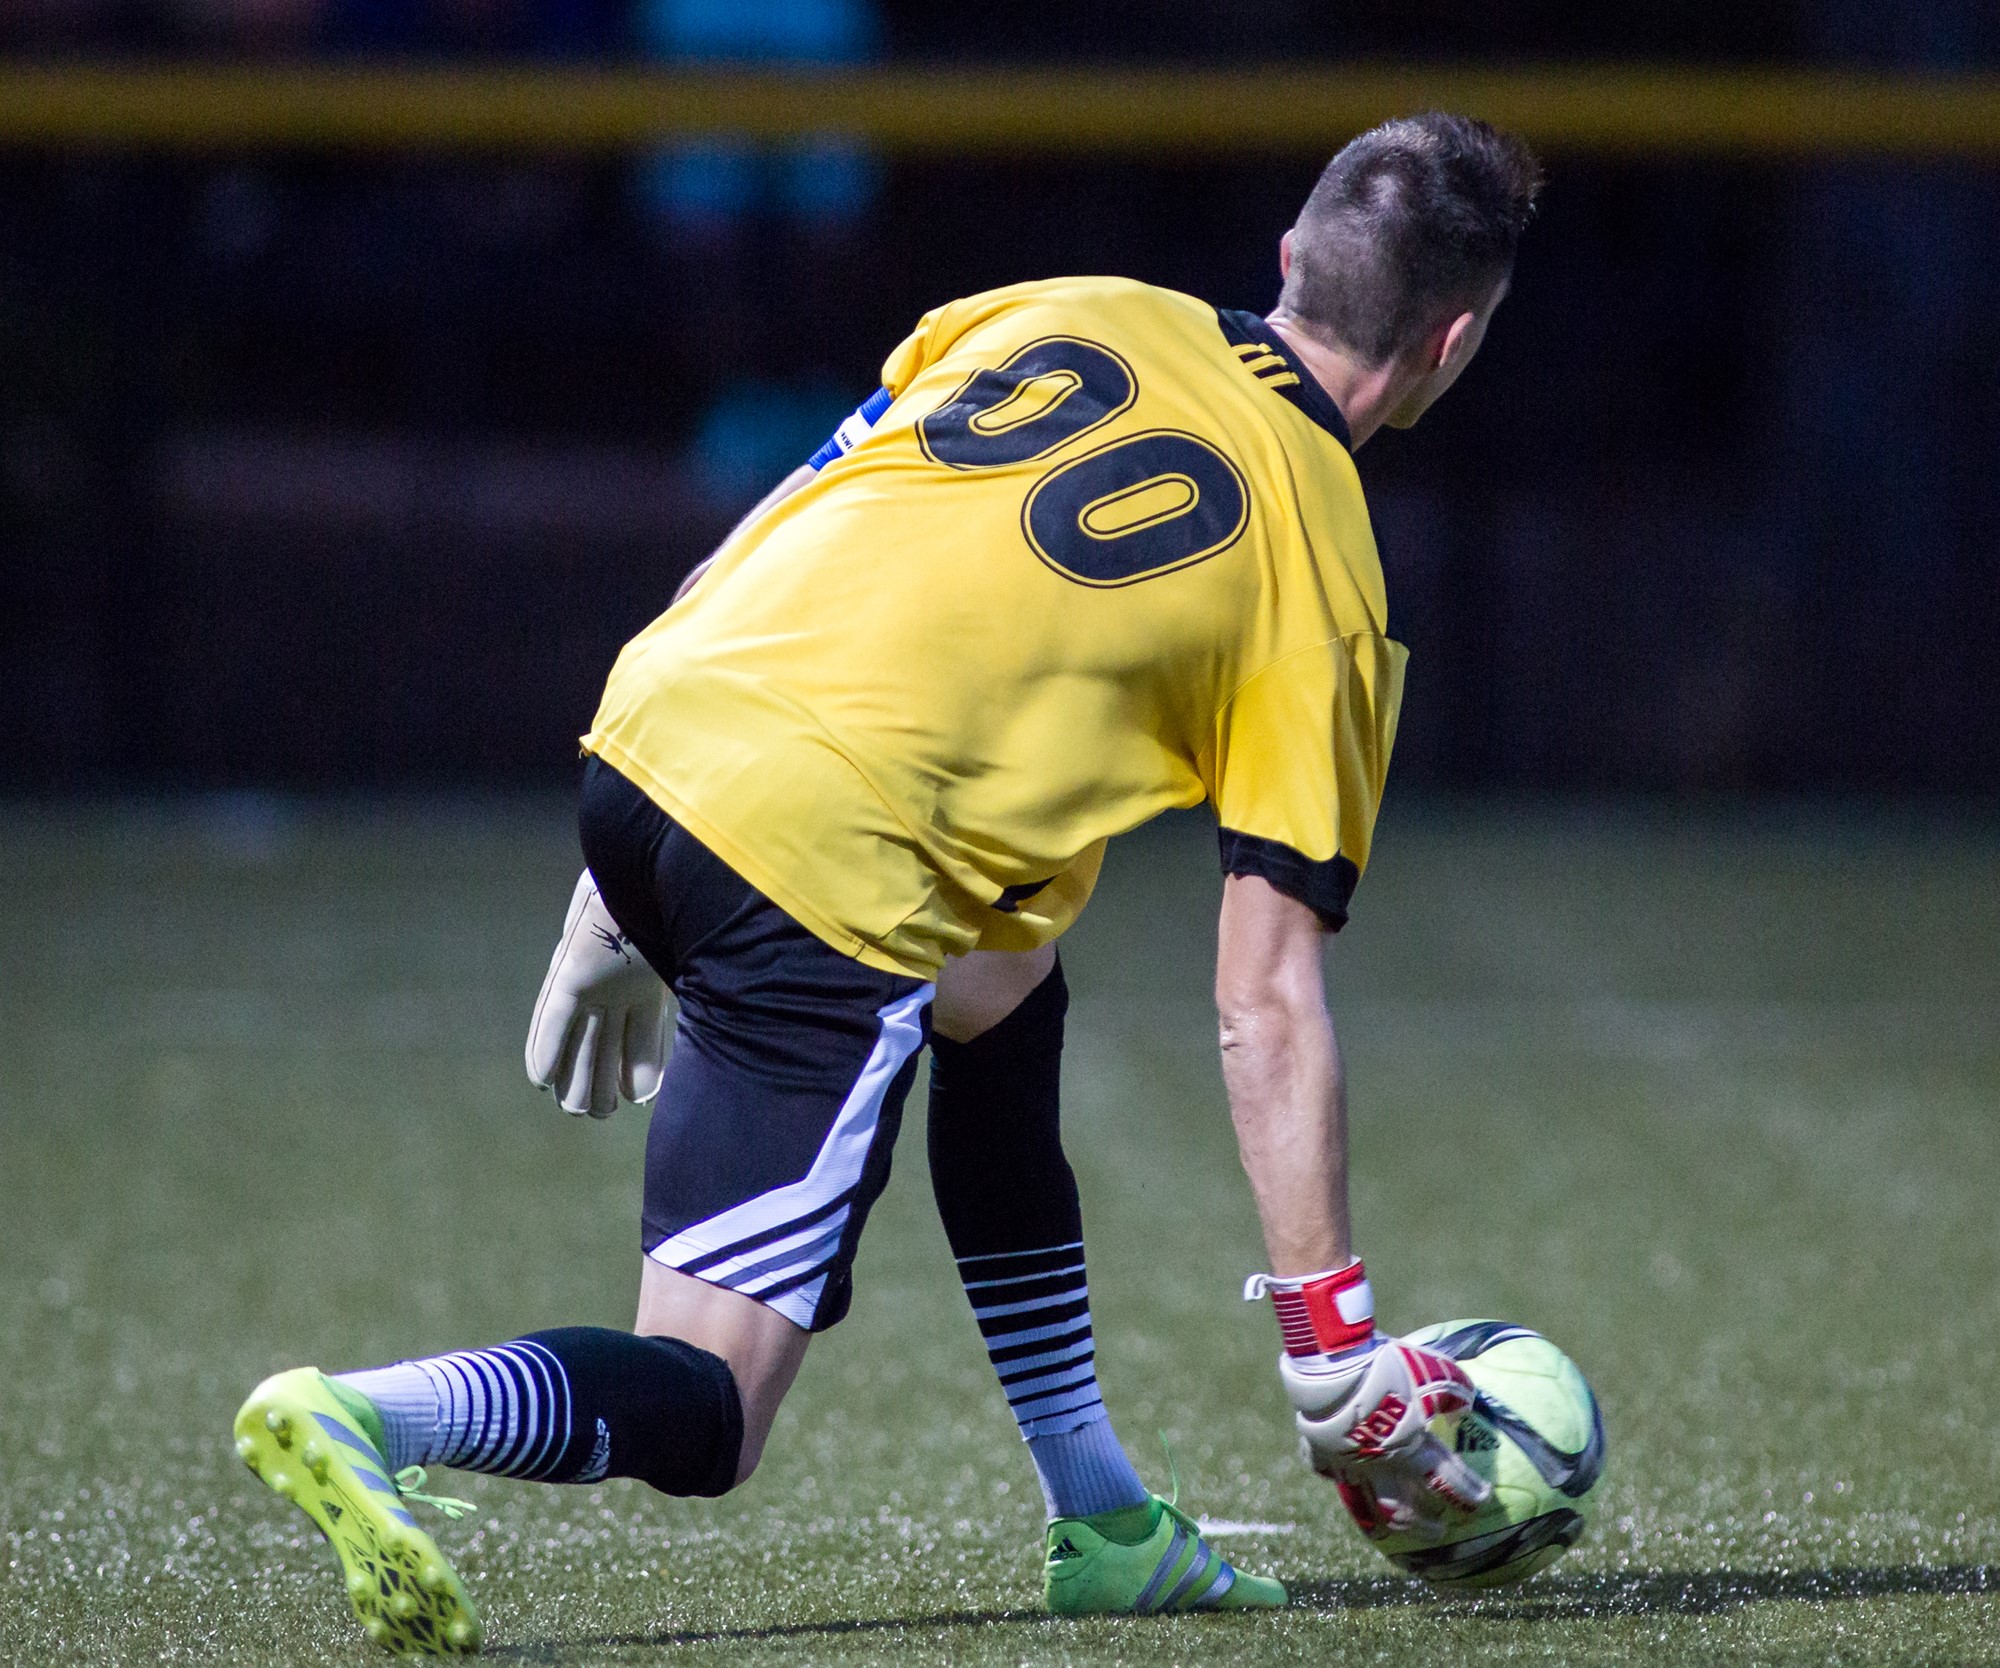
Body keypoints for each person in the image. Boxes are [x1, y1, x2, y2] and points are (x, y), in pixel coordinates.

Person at [232, 111, 1542, 1656]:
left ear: (1286, 261)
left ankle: (1102, 1516)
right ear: (1452, 344)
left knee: (1003, 980)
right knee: (713, 1408)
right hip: (814, 859)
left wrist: (615, 890)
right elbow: (1264, 998)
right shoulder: (1327, 574)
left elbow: (795, 523)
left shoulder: (1070, 306)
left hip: (651, 721)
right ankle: (371, 1412)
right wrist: (1334, 1351)